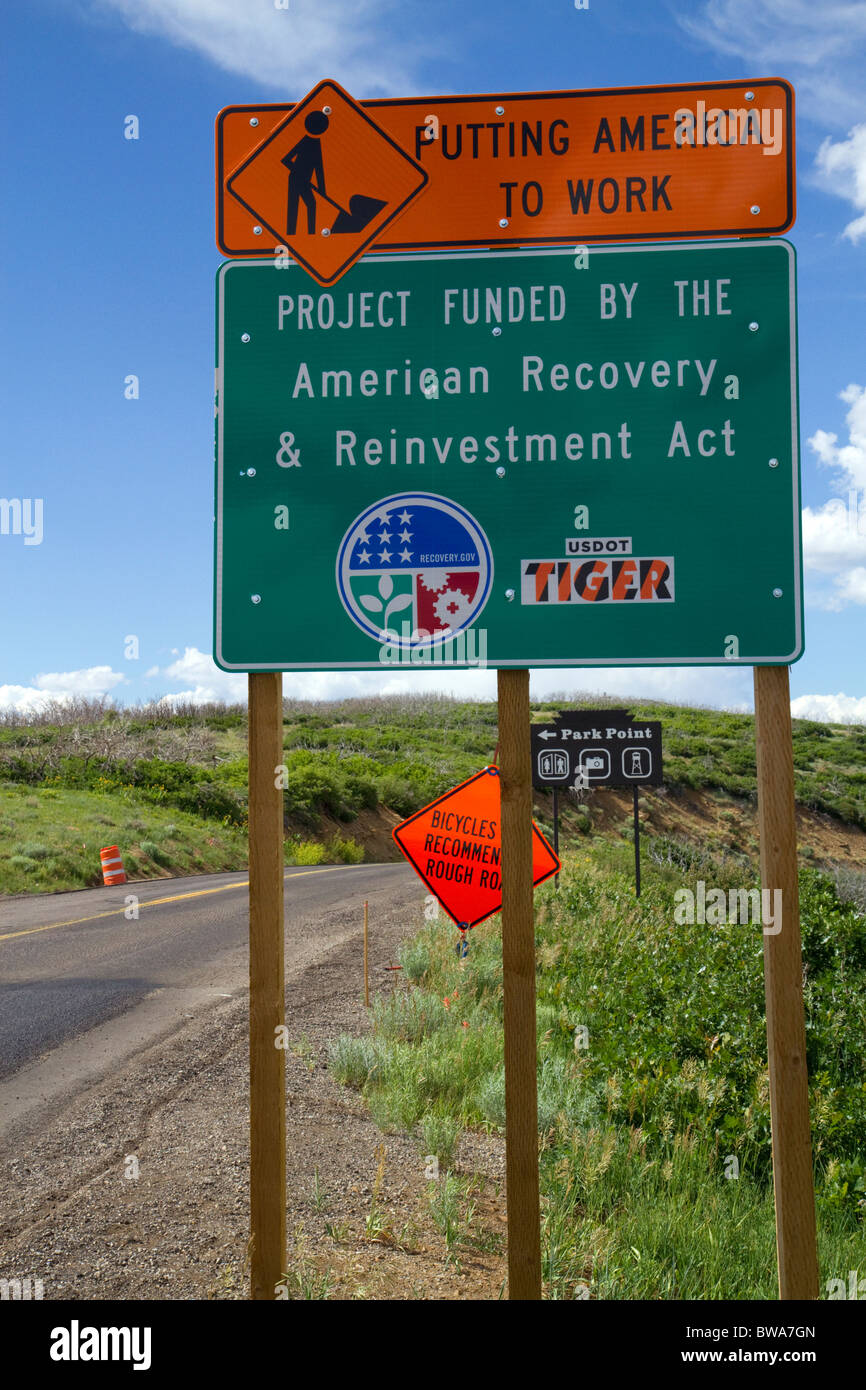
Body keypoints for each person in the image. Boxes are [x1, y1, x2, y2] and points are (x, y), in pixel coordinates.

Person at [282, 111, 329, 236]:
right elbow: (286, 159)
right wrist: (298, 172)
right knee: (293, 206)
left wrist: (322, 189)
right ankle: (291, 234)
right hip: (295, 179)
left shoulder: (317, 143)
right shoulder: (305, 141)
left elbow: (319, 168)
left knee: (312, 204)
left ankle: (311, 234)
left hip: (305, 181)